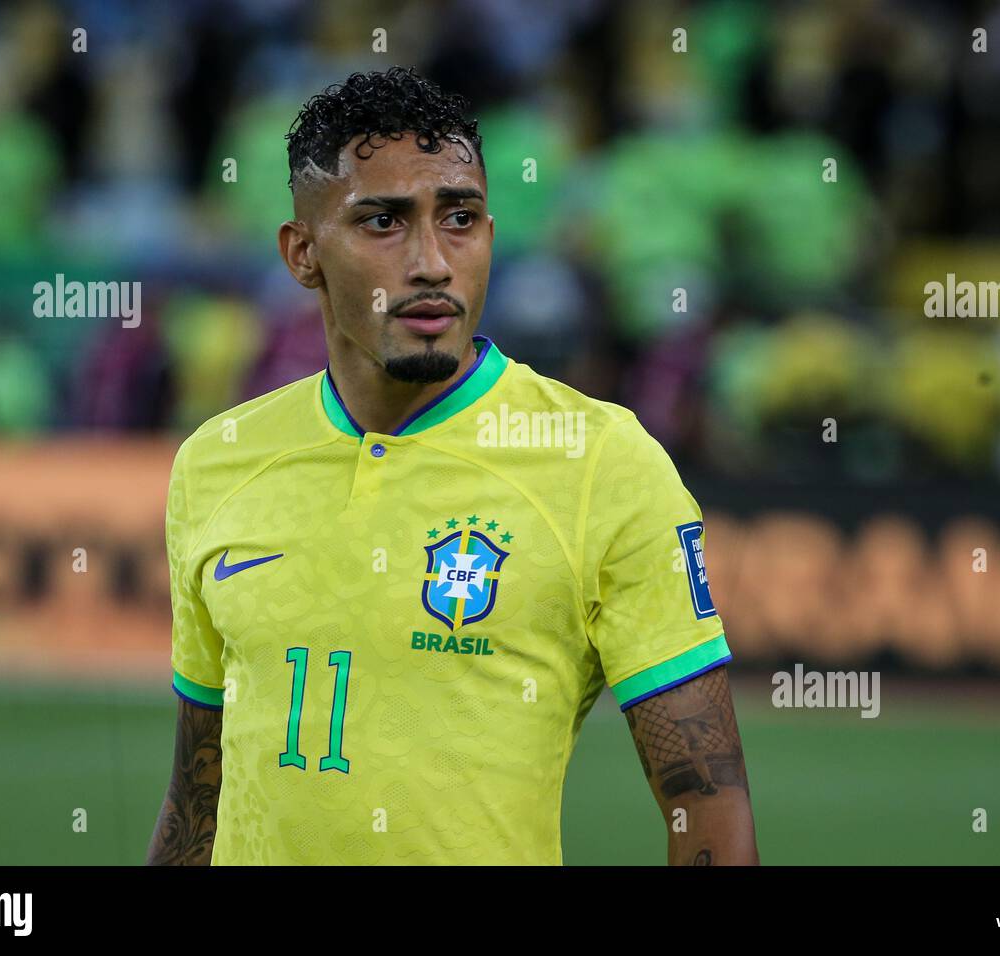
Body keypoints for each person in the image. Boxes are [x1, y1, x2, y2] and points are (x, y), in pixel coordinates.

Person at [147, 66, 758, 865]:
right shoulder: (217, 463)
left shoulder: (601, 463)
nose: (432, 262)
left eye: (459, 218)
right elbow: (199, 792)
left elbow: (707, 810)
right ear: (303, 254)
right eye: (383, 224)